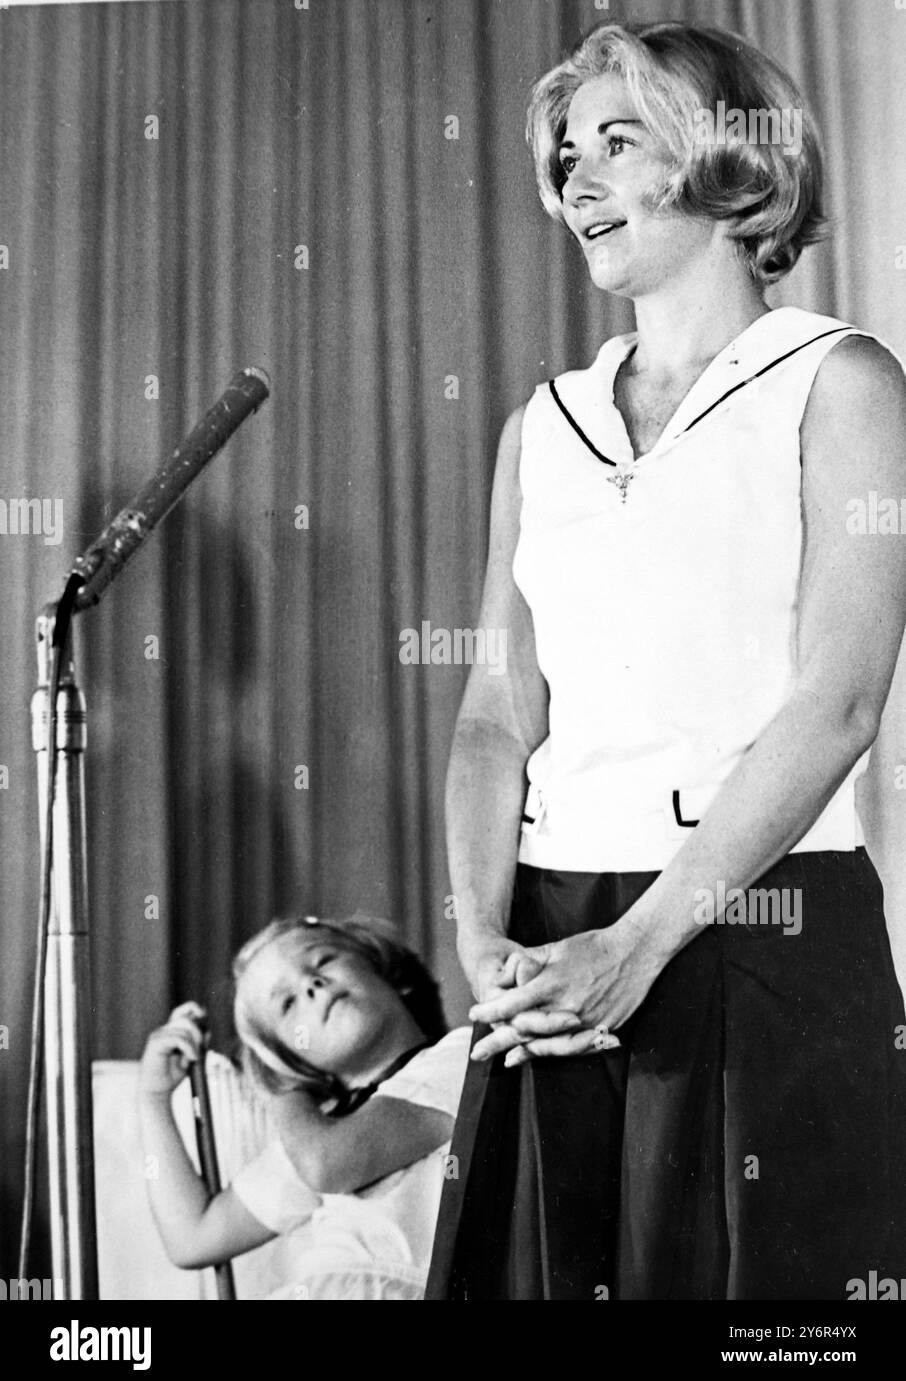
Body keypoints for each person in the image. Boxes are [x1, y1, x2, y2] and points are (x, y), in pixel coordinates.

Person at [425, 19, 906, 1301]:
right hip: (553, 945)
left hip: (759, 925)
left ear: (730, 158)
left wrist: (637, 947)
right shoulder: (544, 425)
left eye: (617, 143)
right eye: (567, 154)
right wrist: (486, 939)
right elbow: (495, 711)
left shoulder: (842, 383)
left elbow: (841, 702)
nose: (574, 180)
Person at [139, 914, 470, 1299]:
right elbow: (193, 1238)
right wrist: (153, 1097)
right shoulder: (319, 1129)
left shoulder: (460, 1056)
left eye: (323, 960)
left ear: (385, 969)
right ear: (294, 1060)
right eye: (287, 1003)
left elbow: (326, 1165)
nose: (311, 985)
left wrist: (274, 1080)